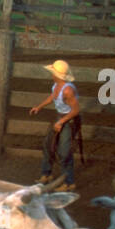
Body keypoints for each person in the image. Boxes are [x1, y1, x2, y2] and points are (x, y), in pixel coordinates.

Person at [30, 59, 82, 192]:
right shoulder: (56, 85)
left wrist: (61, 122)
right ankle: (46, 174)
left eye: (53, 72)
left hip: (68, 120)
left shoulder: (68, 91)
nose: (51, 75)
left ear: (57, 75)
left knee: (64, 152)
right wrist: (39, 107)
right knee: (48, 145)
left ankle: (69, 182)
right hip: (59, 117)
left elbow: (76, 110)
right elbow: (53, 96)